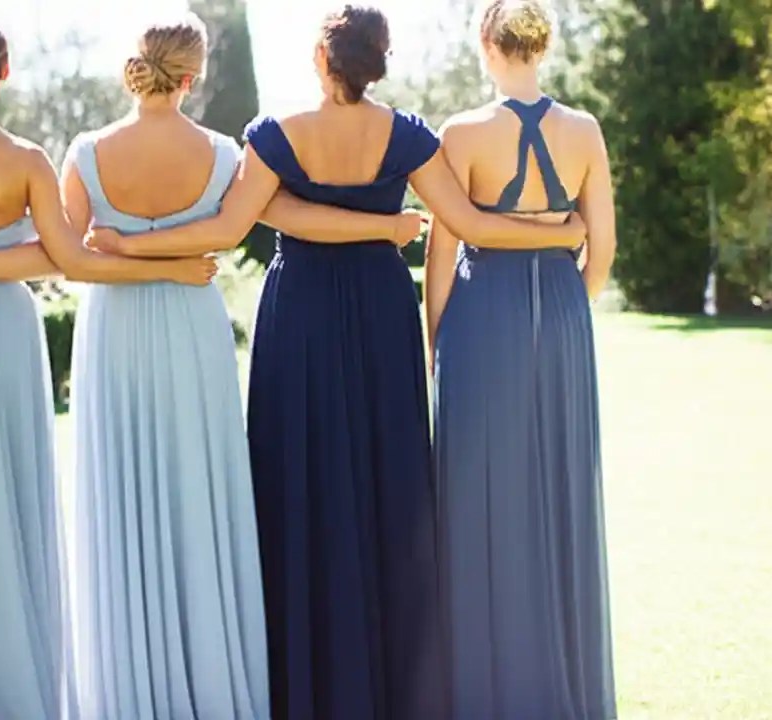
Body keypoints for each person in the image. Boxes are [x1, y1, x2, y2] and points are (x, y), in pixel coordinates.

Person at [87, 5, 587, 717]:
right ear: (376, 62)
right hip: (383, 313)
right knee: (389, 485)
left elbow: (233, 227)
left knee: (301, 482)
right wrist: (558, 231)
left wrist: (126, 246)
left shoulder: (276, 134)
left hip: (301, 317)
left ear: (323, 62)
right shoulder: (408, 135)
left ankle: (309, 683)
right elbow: (470, 223)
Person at [61, 14, 422, 718]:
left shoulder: (87, 150)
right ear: (193, 76)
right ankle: (211, 679)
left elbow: (72, 256)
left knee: (120, 493)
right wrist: (387, 226)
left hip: (113, 331)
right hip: (194, 327)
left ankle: (124, 689)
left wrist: (127, 251)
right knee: (203, 492)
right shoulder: (225, 153)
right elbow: (277, 222)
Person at [0, 17, 215, 720]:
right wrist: (178, 267)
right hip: (4, 330)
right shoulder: (26, 158)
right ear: (3, 73)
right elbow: (67, 260)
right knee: (10, 494)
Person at [425, 1, 617, 718]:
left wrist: (440, 345)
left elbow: (441, 256)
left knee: (479, 498)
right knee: (560, 488)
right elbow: (603, 247)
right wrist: (569, 308)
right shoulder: (586, 131)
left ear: (486, 44)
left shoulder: (463, 133)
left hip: (481, 323)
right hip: (565, 318)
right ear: (544, 46)